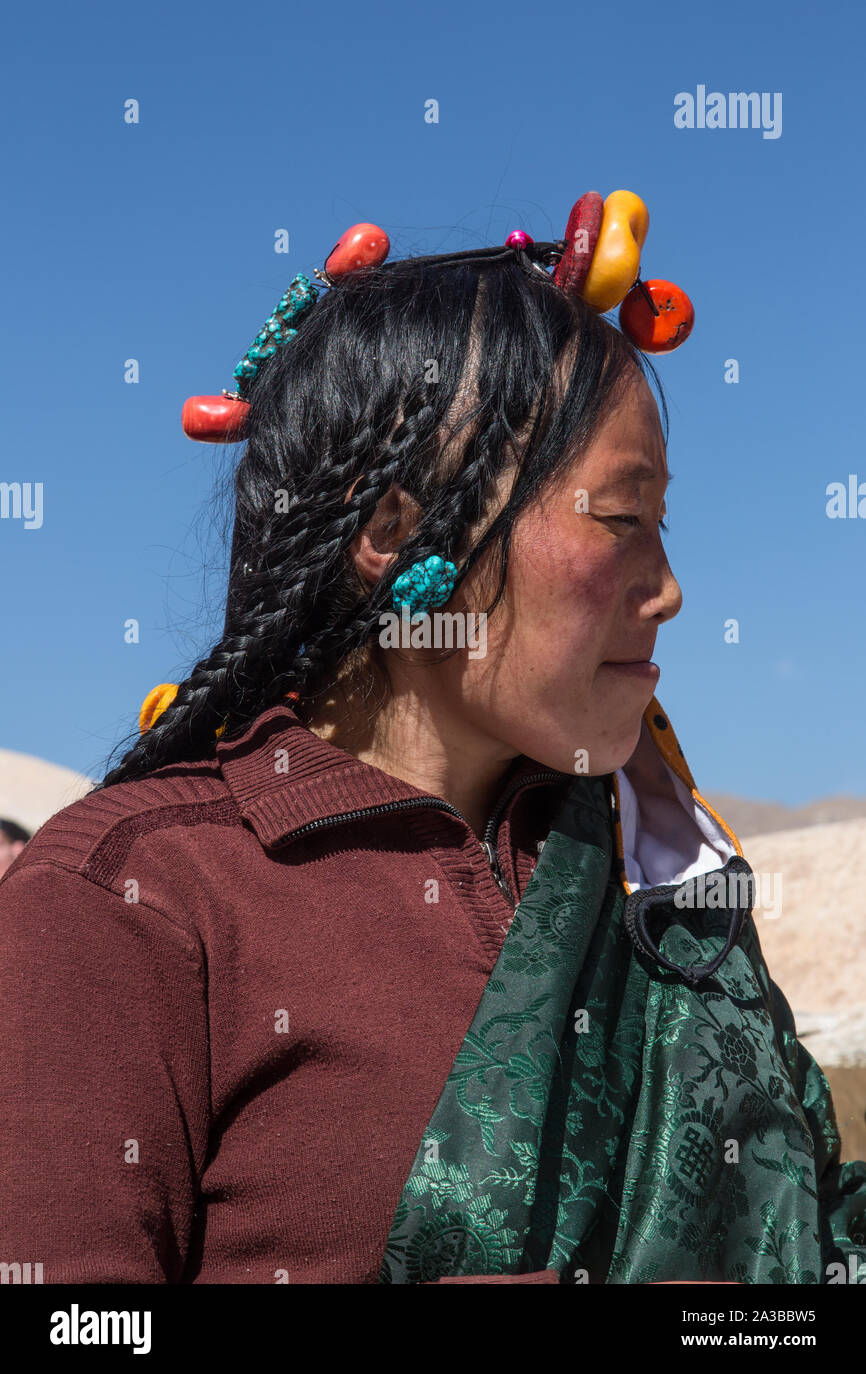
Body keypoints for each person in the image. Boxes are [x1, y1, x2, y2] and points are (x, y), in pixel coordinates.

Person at [1, 206, 864, 1285]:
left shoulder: (652, 873)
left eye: (662, 523)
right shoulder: (135, 895)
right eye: (618, 519)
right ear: (398, 533)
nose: (670, 590)